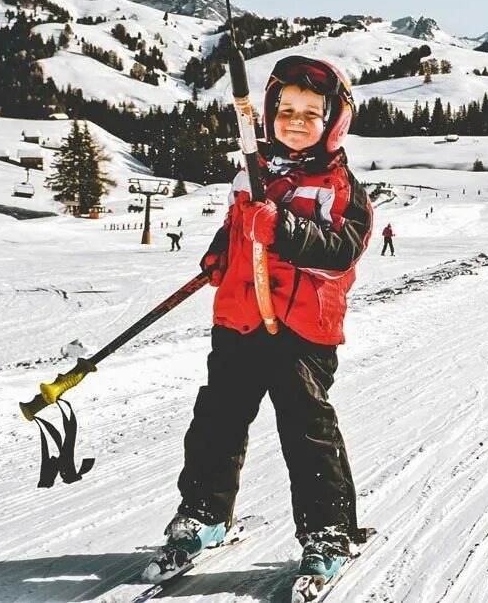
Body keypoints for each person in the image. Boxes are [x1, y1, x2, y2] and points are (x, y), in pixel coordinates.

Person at [150, 55, 372, 586]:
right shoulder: (250, 175)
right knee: (216, 421)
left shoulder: (343, 190)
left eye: (310, 113)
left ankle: (328, 531)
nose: (296, 122)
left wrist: (282, 229)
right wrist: (218, 255)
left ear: (334, 122)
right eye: (286, 110)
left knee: (306, 430)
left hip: (302, 331)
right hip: (238, 320)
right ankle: (205, 513)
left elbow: (341, 251)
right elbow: (236, 226)